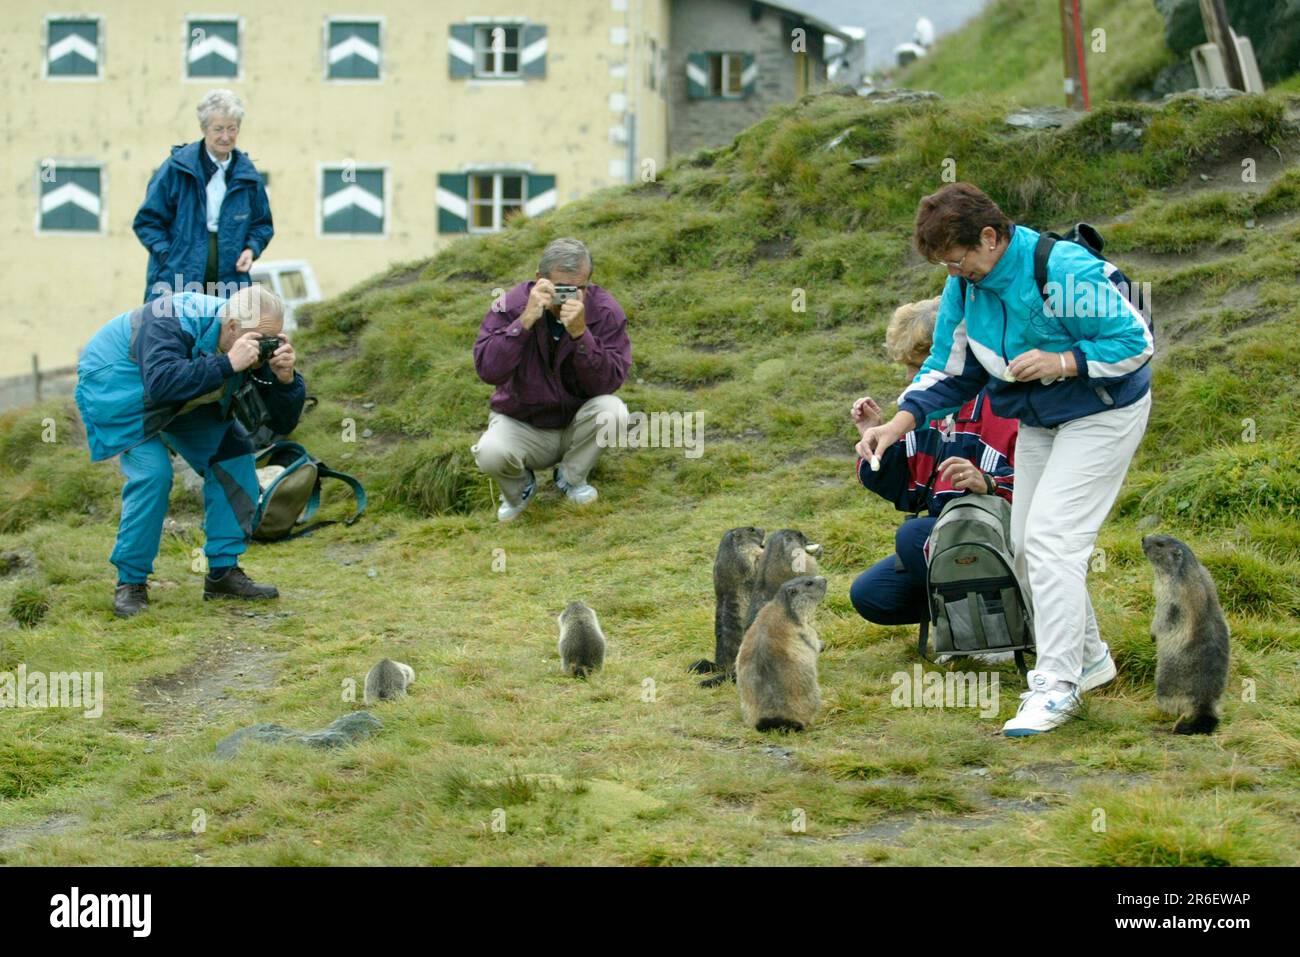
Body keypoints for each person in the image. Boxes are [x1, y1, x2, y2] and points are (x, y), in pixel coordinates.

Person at [857, 182, 1154, 736]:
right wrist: (895, 428)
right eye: (946, 266)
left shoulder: (1062, 270)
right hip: (1040, 417)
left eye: (959, 261)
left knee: (1052, 541)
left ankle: (1056, 686)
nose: (954, 274)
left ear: (990, 238)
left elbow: (1135, 341)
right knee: (1021, 541)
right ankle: (1089, 661)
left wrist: (1063, 361)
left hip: (1103, 411)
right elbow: (948, 369)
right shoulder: (963, 289)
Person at [75, 286, 305, 617]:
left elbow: (283, 421)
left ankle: (223, 573)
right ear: (230, 329)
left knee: (234, 455)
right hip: (119, 387)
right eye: (258, 339)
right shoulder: (170, 317)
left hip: (183, 397)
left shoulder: (252, 341)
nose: (264, 348)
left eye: (272, 339)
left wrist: (285, 380)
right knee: (153, 473)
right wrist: (227, 364)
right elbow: (161, 383)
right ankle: (131, 583)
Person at [848, 297, 1017, 628]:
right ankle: (958, 615)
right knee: (871, 593)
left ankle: (998, 621)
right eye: (908, 367)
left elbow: (1042, 482)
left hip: (1003, 536)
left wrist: (989, 483)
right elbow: (907, 490)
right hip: (949, 537)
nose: (911, 377)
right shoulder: (922, 412)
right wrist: (876, 440)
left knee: (915, 538)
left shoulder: (1001, 403)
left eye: (918, 366)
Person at [472, 237, 631, 522]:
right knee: (489, 452)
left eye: (577, 288)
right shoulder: (509, 305)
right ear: (538, 279)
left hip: (575, 423)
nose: (567, 297)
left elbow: (608, 383)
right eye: (559, 288)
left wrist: (583, 336)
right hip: (522, 422)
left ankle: (571, 478)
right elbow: (488, 370)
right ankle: (520, 489)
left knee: (614, 410)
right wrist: (523, 322)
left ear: (589, 284)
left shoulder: (605, 311)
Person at [133, 89, 273, 302]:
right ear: (204, 129)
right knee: (172, 332)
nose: (225, 137)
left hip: (230, 280)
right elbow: (147, 221)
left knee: (230, 332)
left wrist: (251, 249)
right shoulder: (175, 169)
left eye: (231, 129)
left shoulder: (248, 176)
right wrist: (168, 255)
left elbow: (262, 224)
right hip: (176, 279)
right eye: (218, 129)